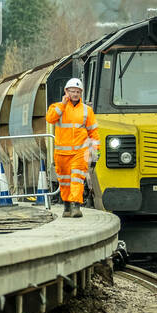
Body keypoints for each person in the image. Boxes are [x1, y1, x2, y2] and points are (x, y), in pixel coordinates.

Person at [45, 78, 99, 218]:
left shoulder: (87, 111)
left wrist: (94, 152)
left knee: (77, 178)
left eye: (78, 91)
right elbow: (50, 118)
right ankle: (67, 206)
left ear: (81, 93)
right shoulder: (57, 107)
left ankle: (76, 206)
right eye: (72, 91)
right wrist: (62, 105)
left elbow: (93, 132)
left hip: (79, 152)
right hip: (62, 153)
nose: (75, 94)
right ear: (66, 92)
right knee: (64, 181)